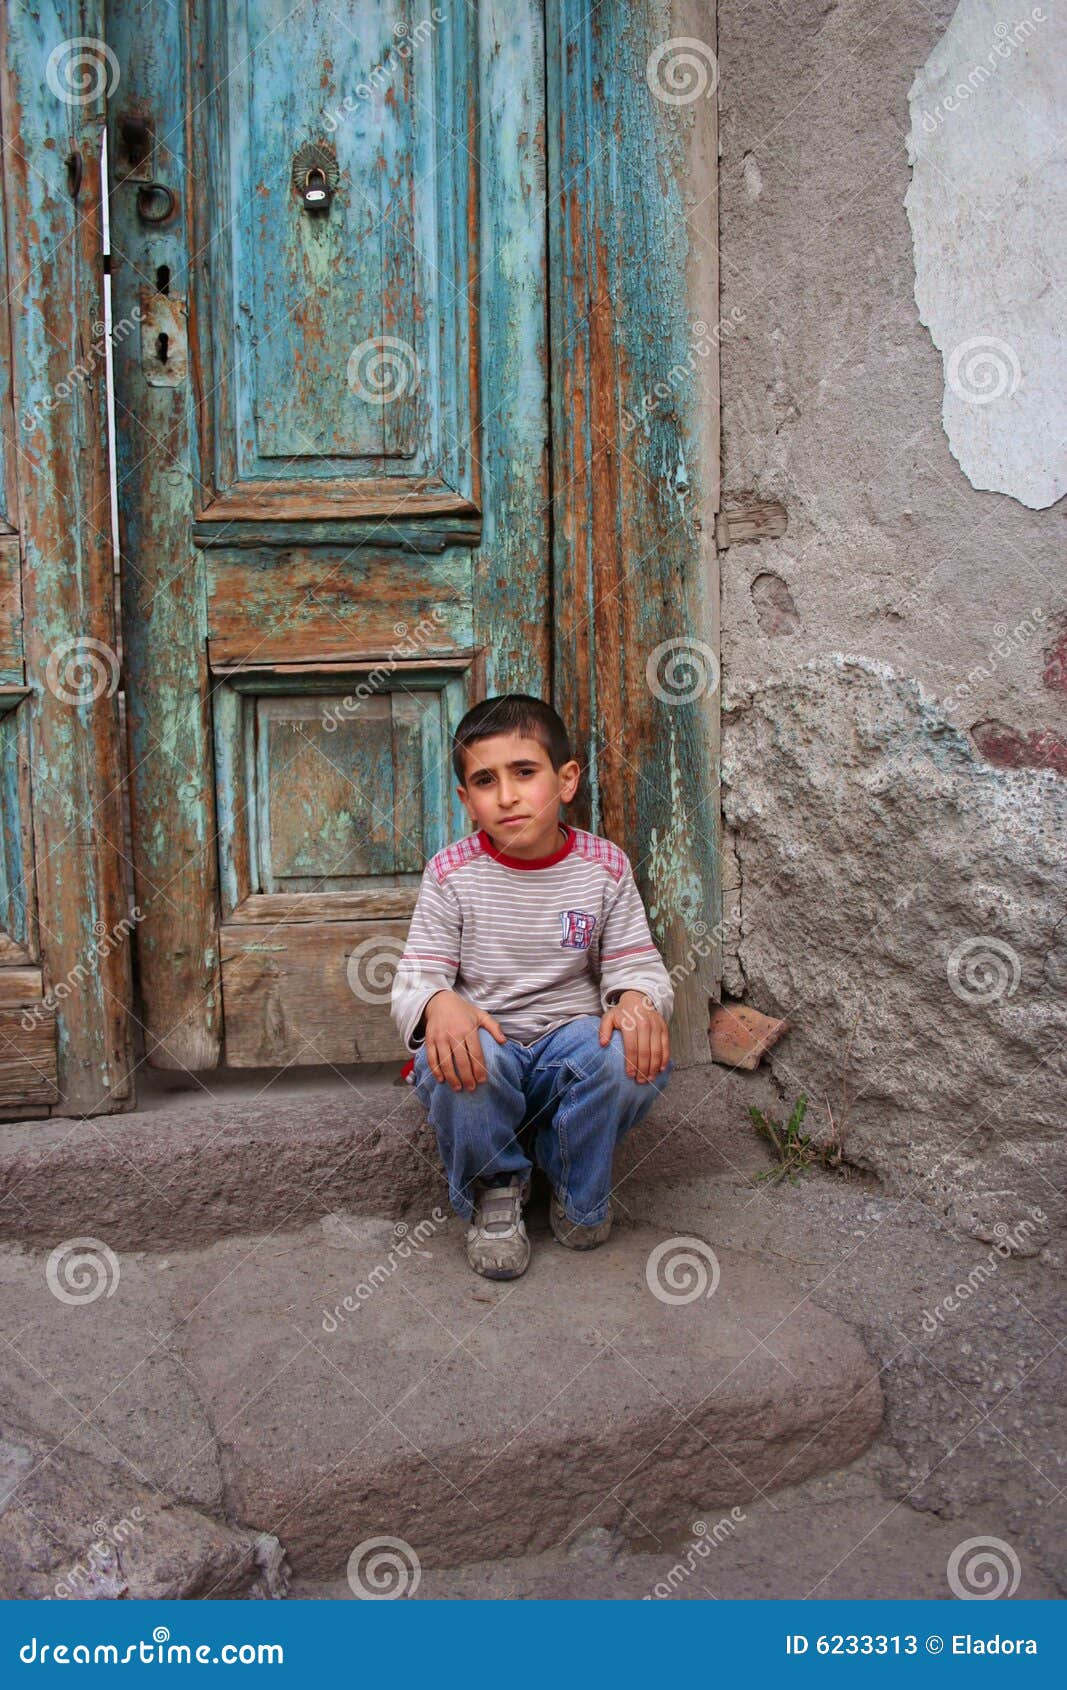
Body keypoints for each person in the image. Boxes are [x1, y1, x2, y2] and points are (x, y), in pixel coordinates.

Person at [390, 694, 675, 1280]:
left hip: (566, 1049)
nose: (508, 795)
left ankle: (573, 1182)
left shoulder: (604, 867)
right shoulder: (451, 873)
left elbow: (635, 967)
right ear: (467, 801)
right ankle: (497, 1185)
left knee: (631, 1054)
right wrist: (438, 1003)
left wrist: (635, 1001)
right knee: (460, 1057)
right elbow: (416, 978)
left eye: (525, 772)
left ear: (566, 779)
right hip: (486, 1053)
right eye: (485, 781)